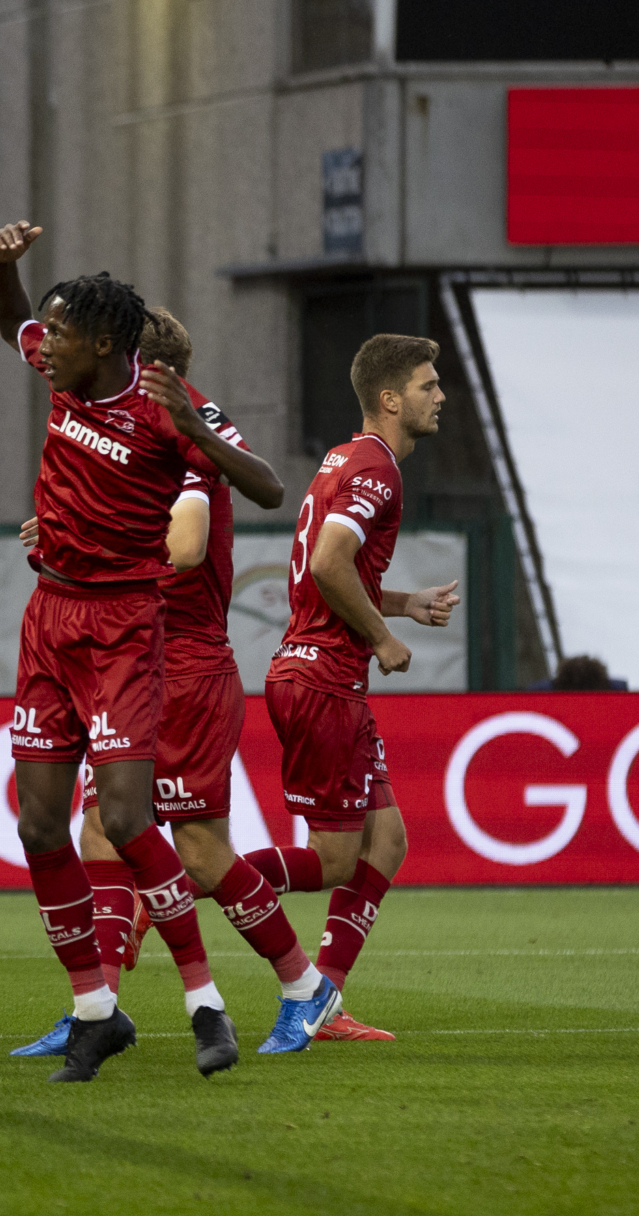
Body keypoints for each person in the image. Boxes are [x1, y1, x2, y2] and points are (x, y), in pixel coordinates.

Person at [0, 221, 285, 1084]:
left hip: (123, 627)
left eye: (63, 335)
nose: (45, 350)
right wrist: (3, 268)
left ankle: (204, 1002)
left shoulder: (165, 413)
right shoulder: (64, 373)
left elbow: (267, 487)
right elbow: (13, 324)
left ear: (107, 344)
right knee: (39, 823)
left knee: (124, 817)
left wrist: (195, 422)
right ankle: (94, 1012)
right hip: (50, 619)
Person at [241, 334, 459, 1050]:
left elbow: (331, 572)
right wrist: (383, 637)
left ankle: (323, 1002)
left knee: (387, 841)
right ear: (391, 399)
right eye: (429, 386)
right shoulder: (378, 468)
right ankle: (198, 874)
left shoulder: (345, 457)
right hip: (324, 679)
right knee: (336, 860)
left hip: (320, 672)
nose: (440, 397)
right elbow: (332, 564)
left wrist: (402, 604)